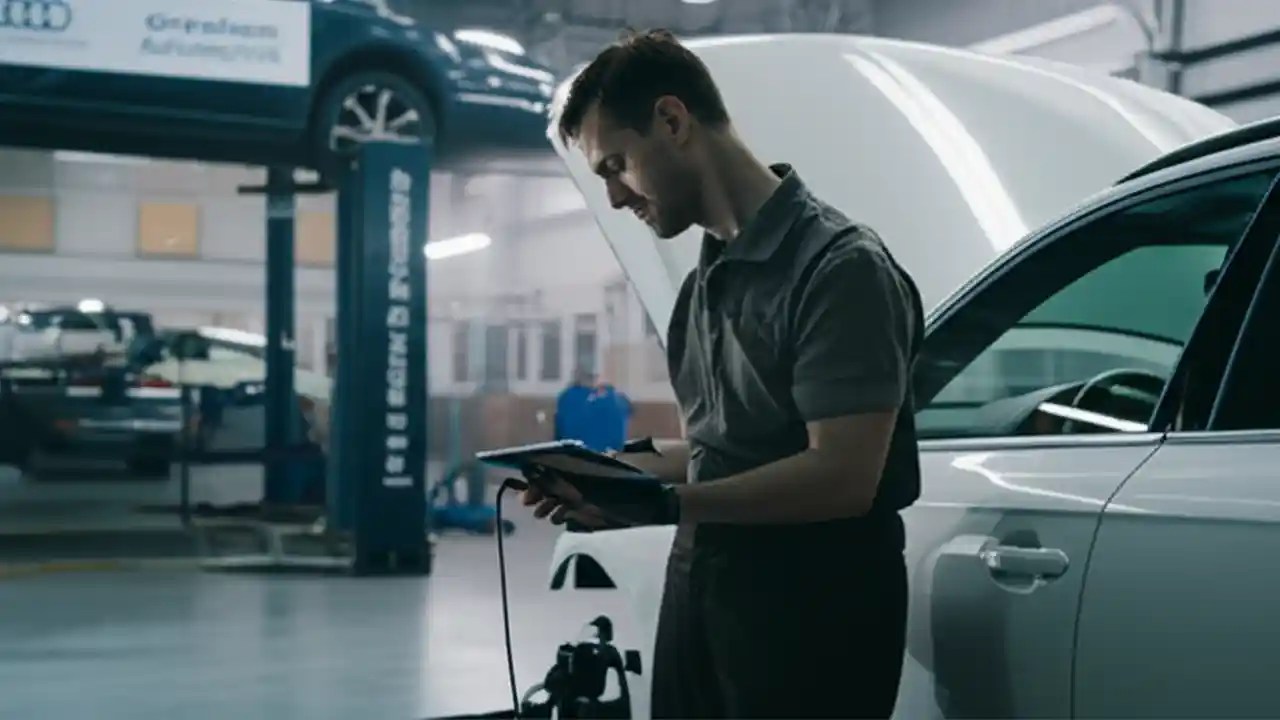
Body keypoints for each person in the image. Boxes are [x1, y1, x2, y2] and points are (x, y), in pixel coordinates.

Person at [522, 28, 925, 719]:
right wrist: (615, 472)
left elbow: (843, 475)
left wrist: (660, 507)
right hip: (707, 591)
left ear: (672, 121)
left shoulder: (839, 270)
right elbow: (730, 450)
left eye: (616, 164)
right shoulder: (705, 282)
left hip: (814, 613)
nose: (616, 197)